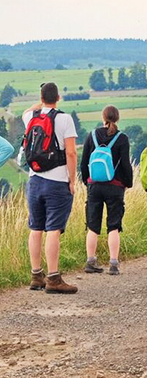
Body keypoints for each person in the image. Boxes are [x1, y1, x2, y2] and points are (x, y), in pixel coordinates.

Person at [22, 82, 79, 294]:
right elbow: (71, 153)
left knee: (35, 228)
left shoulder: (30, 117)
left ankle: (36, 275)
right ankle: (53, 278)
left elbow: (29, 110)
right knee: (53, 229)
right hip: (57, 181)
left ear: (41, 97)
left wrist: (42, 103)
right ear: (59, 97)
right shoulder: (64, 119)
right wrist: (72, 180)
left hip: (34, 180)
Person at [80, 105, 133, 275]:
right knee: (113, 226)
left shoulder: (92, 135)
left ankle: (90, 262)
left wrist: (87, 182)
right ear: (117, 118)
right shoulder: (122, 138)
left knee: (93, 226)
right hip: (115, 187)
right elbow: (126, 165)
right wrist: (127, 183)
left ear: (103, 117)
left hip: (94, 186)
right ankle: (114, 264)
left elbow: (84, 162)